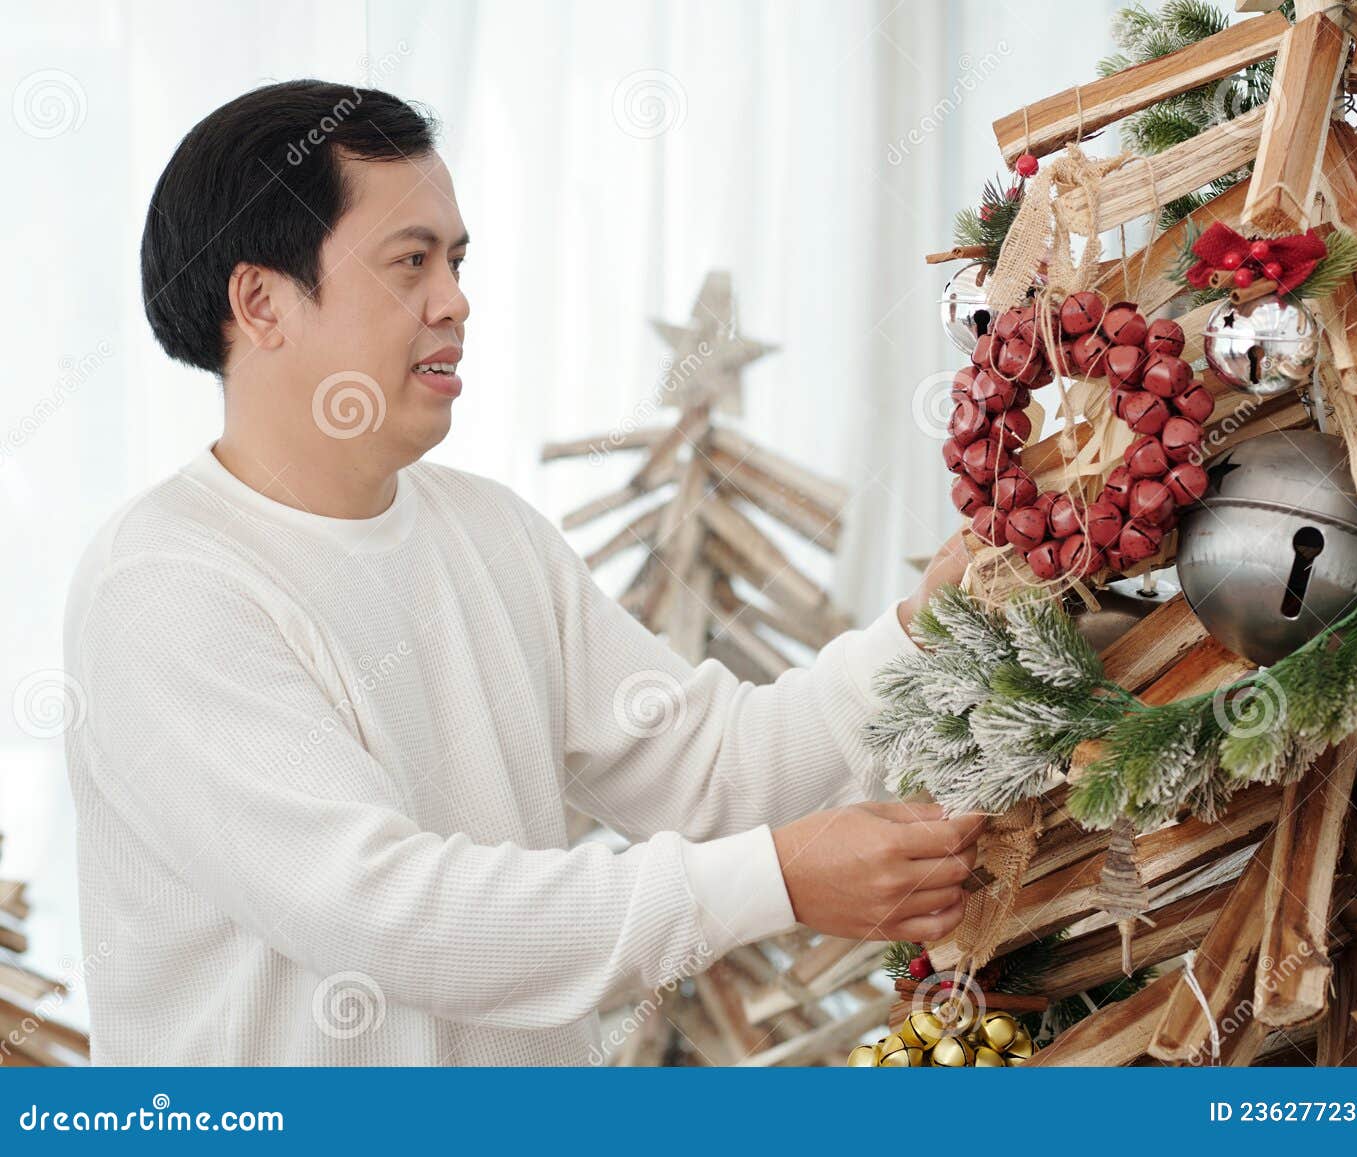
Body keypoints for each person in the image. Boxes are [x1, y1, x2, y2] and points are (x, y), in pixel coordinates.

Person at [62, 80, 980, 1066]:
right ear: (261, 301)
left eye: (453, 261)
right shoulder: (164, 589)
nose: (456, 300)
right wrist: (775, 881)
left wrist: (927, 624)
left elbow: (716, 766)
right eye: (410, 262)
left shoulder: (490, 534)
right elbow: (392, 916)